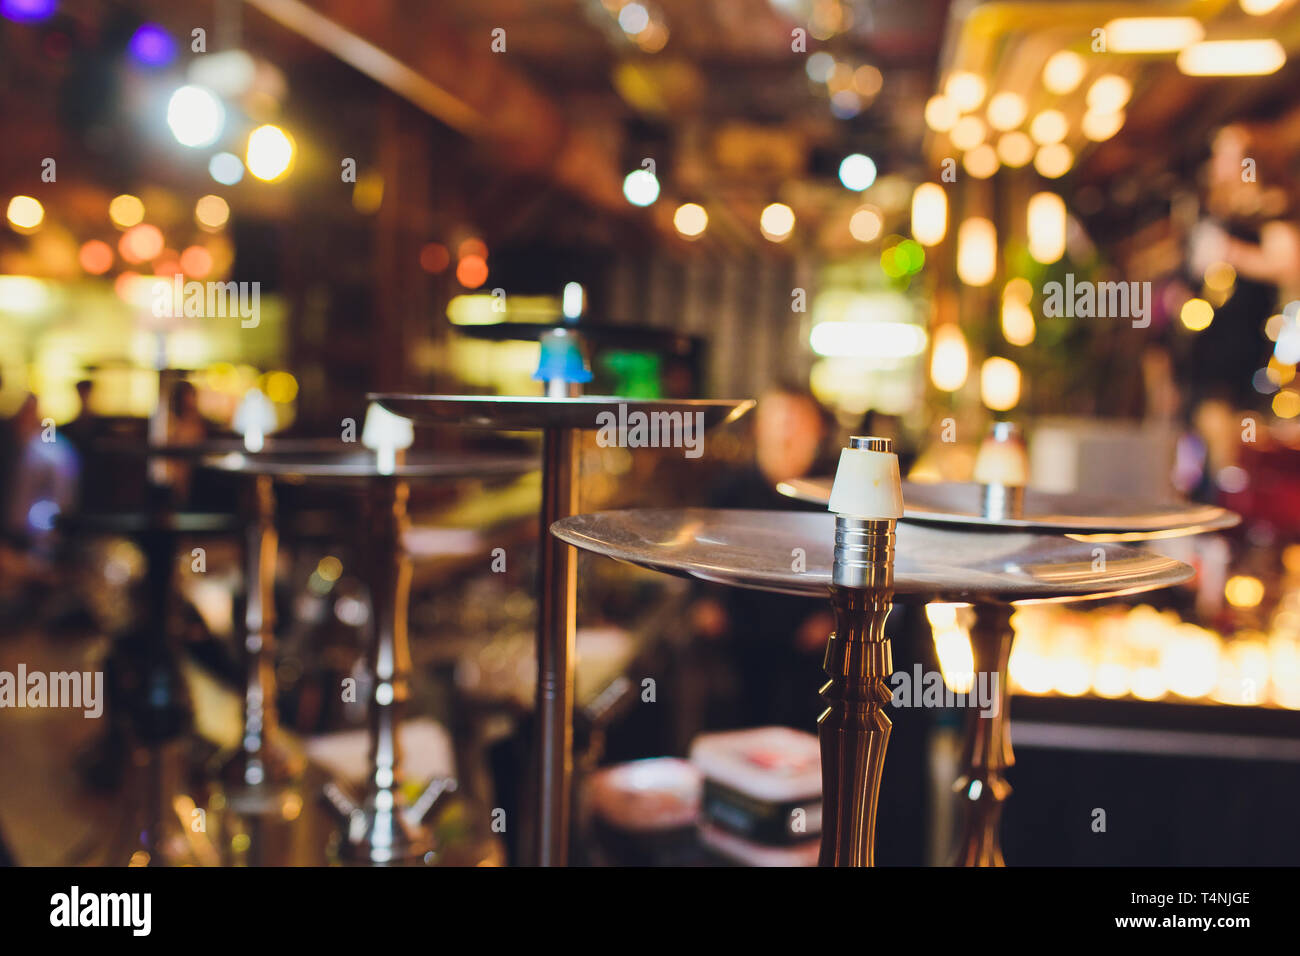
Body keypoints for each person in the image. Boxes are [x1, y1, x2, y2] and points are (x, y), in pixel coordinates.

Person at [687, 384, 838, 730]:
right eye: (778, 419)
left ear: (818, 430)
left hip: (810, 638)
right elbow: (699, 551)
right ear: (758, 428)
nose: (786, 431)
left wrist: (831, 615)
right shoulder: (729, 489)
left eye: (797, 421)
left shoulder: (834, 490)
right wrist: (704, 603)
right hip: (741, 631)